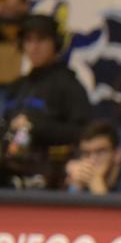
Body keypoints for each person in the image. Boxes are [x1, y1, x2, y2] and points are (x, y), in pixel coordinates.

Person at [3, 13, 90, 190]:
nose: (34, 47)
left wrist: (36, 125)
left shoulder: (69, 85)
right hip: (10, 170)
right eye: (28, 40)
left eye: (41, 40)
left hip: (53, 174)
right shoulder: (17, 87)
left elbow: (84, 133)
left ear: (55, 43)